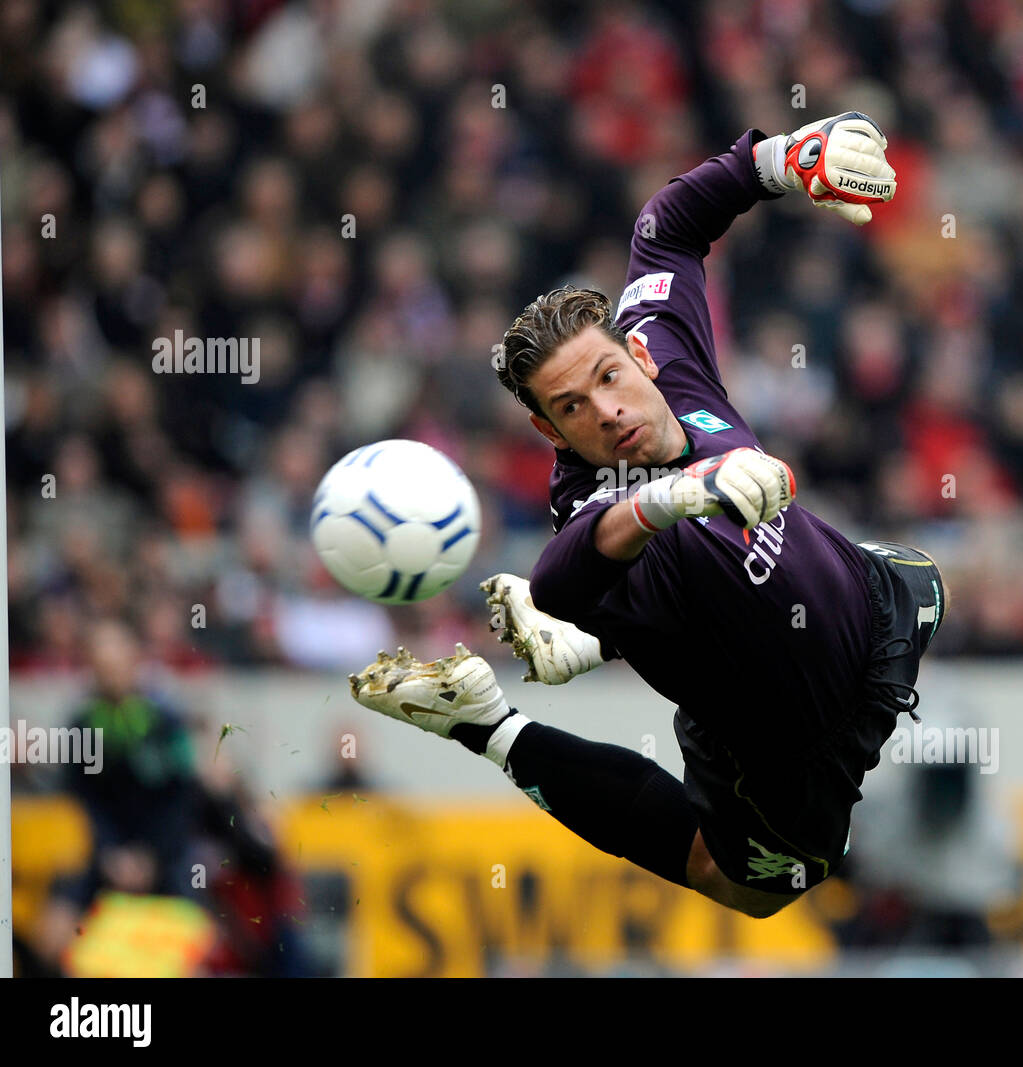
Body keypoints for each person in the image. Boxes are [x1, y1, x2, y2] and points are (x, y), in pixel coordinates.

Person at [350, 113, 949, 918]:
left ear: (635, 352)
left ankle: (595, 641)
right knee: (753, 886)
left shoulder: (662, 348)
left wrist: (778, 160)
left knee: (927, 578)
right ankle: (487, 724)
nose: (607, 410)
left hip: (874, 608)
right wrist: (672, 497)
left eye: (607, 376)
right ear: (548, 428)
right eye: (571, 406)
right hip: (785, 748)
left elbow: (665, 229)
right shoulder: (592, 500)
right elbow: (560, 574)